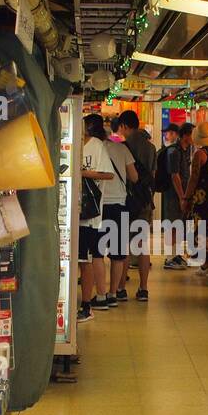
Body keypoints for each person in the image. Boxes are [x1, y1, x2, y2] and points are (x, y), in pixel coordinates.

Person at [89, 112, 138, 308]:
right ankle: (113, 293)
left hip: (98, 206)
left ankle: (100, 295)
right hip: (120, 204)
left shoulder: (93, 149)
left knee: (98, 253)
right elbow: (134, 177)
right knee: (118, 254)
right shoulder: (121, 149)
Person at [115, 110, 156, 301]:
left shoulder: (121, 146)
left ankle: (121, 288)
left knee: (123, 245)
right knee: (141, 245)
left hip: (125, 200)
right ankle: (143, 289)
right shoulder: (151, 147)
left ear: (123, 126)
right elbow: (152, 176)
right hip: (144, 201)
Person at [78, 114, 116, 320]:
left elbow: (108, 175)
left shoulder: (96, 145)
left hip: (89, 213)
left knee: (87, 259)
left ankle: (87, 303)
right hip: (69, 212)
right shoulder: (66, 144)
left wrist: (84, 173)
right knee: (77, 259)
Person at [183, 119, 208, 276]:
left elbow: (194, 177)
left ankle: (205, 263)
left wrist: (186, 197)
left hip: (201, 199)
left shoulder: (200, 154)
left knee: (200, 230)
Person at [160, 123, 195, 268]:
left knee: (179, 225)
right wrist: (182, 197)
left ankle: (176, 254)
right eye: (193, 134)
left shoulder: (186, 150)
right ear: (186, 135)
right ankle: (169, 258)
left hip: (182, 193)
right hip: (173, 194)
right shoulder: (174, 152)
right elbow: (175, 175)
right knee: (173, 225)